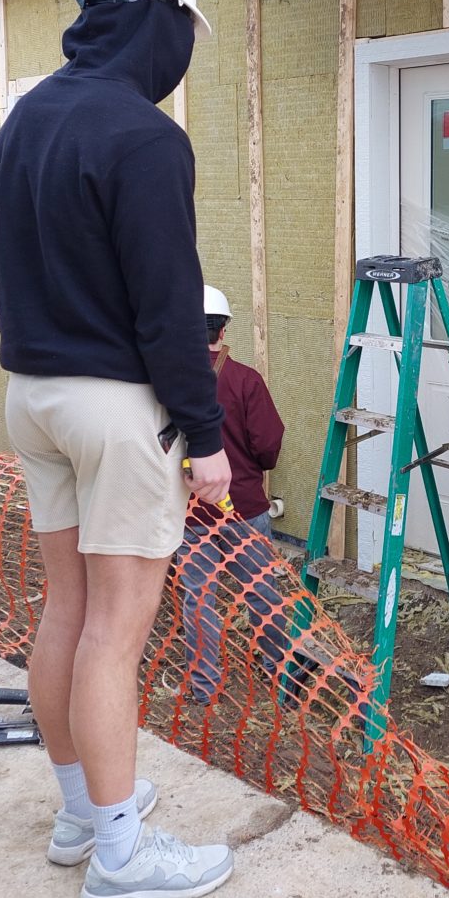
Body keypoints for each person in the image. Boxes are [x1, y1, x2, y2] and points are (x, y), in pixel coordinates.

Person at [0, 0, 235, 898]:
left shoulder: (27, 118)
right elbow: (170, 313)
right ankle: (123, 856)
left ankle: (82, 813)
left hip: (31, 396)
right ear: (157, 21)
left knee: (66, 608)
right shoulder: (144, 135)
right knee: (115, 633)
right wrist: (208, 442)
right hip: (112, 407)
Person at [174, 285, 291, 702]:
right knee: (262, 591)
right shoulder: (245, 380)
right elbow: (267, 444)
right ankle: (280, 673)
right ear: (222, 330)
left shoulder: (167, 382)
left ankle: (204, 687)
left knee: (198, 598)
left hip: (189, 512)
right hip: (244, 508)